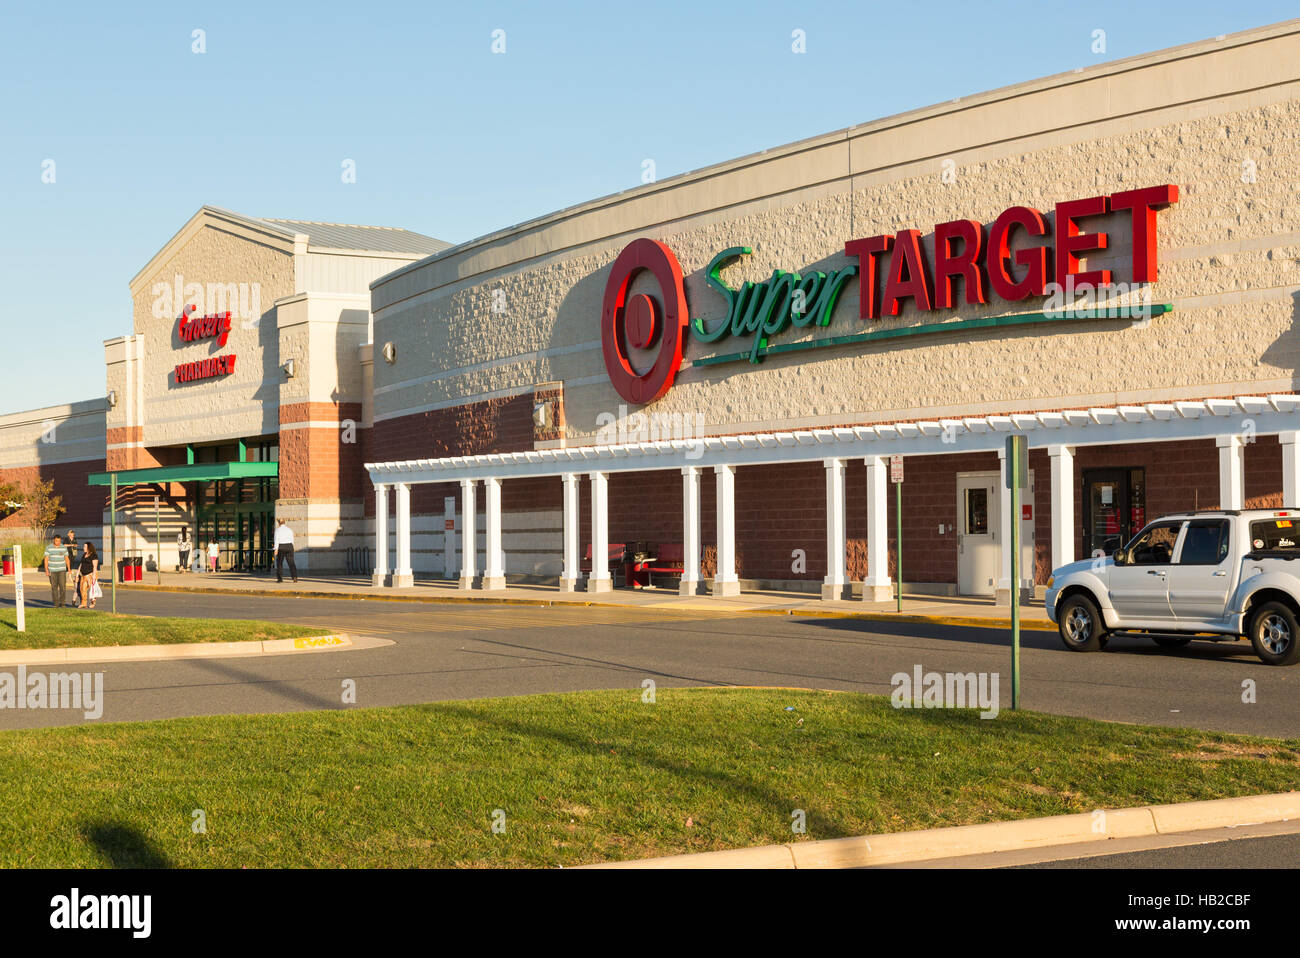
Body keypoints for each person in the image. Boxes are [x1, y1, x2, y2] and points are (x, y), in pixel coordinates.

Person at [43, 534, 69, 608]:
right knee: (54, 588)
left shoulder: (63, 547)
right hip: (52, 570)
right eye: (56, 541)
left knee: (63, 587)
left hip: (62, 570)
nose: (57, 542)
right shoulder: (48, 548)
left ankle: (62, 603)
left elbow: (67, 558)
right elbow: (46, 559)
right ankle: (56, 603)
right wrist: (46, 570)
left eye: (59, 541)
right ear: (53, 540)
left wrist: (69, 569)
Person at [274, 518, 298, 583]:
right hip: (289, 546)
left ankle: (280, 579)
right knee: (291, 563)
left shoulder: (277, 530)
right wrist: (291, 547)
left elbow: (276, 540)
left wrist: (276, 549)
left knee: (279, 563)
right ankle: (294, 577)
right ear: (284, 523)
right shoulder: (289, 530)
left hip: (281, 546)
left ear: (279, 523)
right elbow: (292, 539)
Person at [78, 542, 100, 610]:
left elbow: (95, 566)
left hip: (90, 574)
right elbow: (81, 564)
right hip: (83, 575)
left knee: (92, 589)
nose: (83, 548)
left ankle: (93, 603)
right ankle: (83, 603)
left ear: (89, 547)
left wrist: (94, 575)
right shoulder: (84, 555)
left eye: (85, 547)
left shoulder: (94, 555)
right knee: (82, 589)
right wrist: (77, 573)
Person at [65, 530, 80, 607]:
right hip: (67, 553)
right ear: (69, 534)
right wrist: (71, 545)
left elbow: (76, 544)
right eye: (71, 534)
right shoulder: (66, 539)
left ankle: (70, 571)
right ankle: (68, 572)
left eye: (73, 534)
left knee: (72, 562)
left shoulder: (74, 539)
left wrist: (75, 545)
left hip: (73, 553)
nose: (72, 536)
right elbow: (64, 545)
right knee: (68, 563)